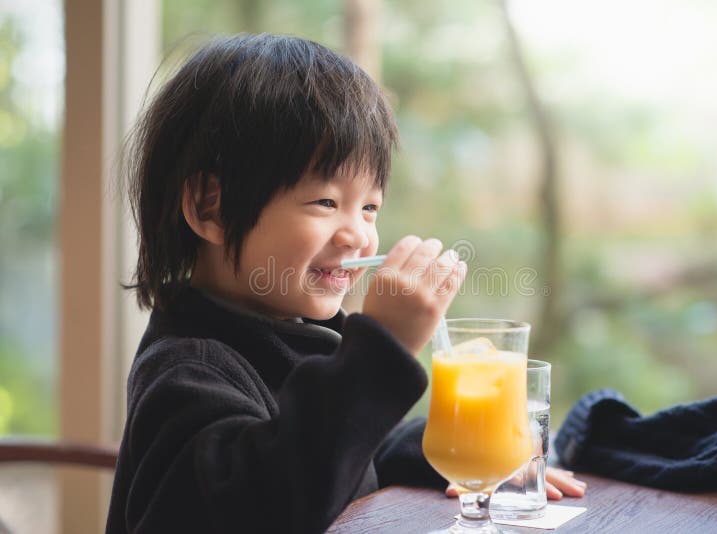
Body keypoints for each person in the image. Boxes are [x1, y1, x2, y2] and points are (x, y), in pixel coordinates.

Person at [106, 34, 584, 534]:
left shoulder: (291, 334)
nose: (359, 234)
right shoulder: (189, 370)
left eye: (370, 207)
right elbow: (267, 499)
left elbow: (356, 446)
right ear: (212, 207)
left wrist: (475, 455)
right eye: (326, 202)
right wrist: (382, 348)